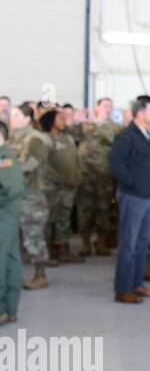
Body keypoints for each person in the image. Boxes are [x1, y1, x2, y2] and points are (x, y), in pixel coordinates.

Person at [108, 95, 150, 304]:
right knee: (128, 245)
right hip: (133, 196)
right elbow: (116, 164)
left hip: (149, 196)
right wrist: (133, 184)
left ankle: (137, 284)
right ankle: (123, 289)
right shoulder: (127, 136)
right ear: (140, 113)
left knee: (142, 243)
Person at [10, 104, 53, 289]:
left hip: (31, 196)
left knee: (33, 236)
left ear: (27, 118)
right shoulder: (11, 137)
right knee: (15, 238)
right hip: (14, 195)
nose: (12, 118)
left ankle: (40, 273)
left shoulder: (35, 139)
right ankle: (14, 275)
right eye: (11, 115)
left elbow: (27, 166)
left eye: (16, 115)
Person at [75, 98, 119, 256]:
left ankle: (101, 241)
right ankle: (85, 242)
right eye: (105, 105)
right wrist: (75, 120)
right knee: (84, 209)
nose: (108, 109)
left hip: (105, 175)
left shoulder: (115, 128)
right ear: (97, 107)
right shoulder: (84, 124)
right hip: (85, 174)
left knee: (103, 209)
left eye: (110, 106)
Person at [39, 108, 83, 264]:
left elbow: (75, 159)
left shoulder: (68, 139)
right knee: (50, 220)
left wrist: (76, 176)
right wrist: (59, 179)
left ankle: (64, 250)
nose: (64, 122)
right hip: (53, 188)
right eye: (60, 119)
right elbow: (44, 166)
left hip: (69, 186)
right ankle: (48, 253)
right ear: (51, 122)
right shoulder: (44, 139)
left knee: (64, 219)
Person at [0, 121, 25, 324]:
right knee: (10, 259)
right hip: (7, 216)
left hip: (4, 216)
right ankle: (9, 308)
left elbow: (12, 189)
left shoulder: (4, 158)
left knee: (3, 261)